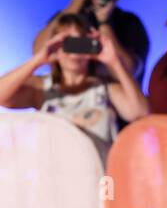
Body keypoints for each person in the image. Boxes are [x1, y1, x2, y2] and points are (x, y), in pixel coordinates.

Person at [0, 12, 149, 165]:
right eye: (68, 43)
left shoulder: (104, 88)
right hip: (55, 179)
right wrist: (38, 59)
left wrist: (114, 62)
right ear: (55, 45)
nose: (74, 53)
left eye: (81, 43)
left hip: (98, 178)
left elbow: (139, 112)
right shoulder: (42, 89)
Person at [33, 0, 150, 89]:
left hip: (114, 106)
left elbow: (129, 72)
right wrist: (74, 4)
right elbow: (39, 54)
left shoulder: (129, 22)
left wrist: (104, 22)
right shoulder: (64, 19)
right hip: (68, 104)